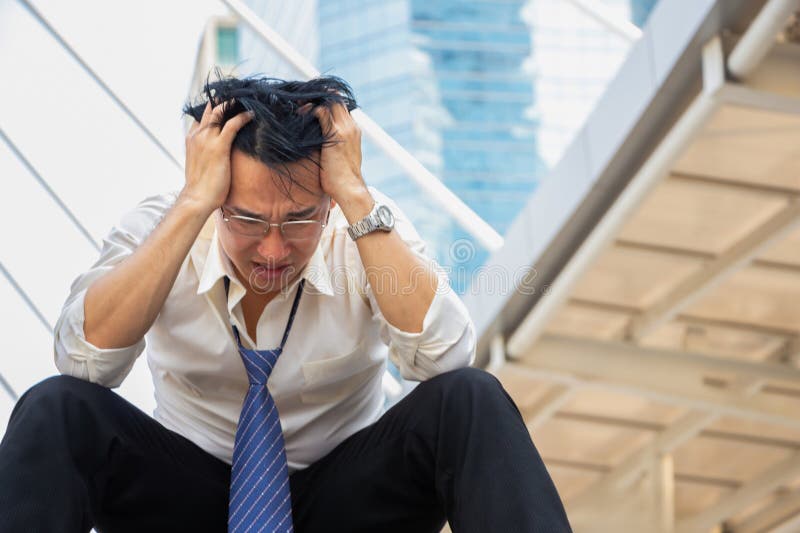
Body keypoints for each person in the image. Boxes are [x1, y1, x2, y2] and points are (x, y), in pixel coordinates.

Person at [0, 75, 571, 533]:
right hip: (188, 496)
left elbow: (445, 359)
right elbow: (84, 361)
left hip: (344, 498)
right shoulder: (165, 224)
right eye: (247, 219)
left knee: (469, 397)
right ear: (218, 192)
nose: (273, 249)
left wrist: (351, 194)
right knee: (56, 407)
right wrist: (195, 203)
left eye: (299, 219)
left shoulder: (363, 226)